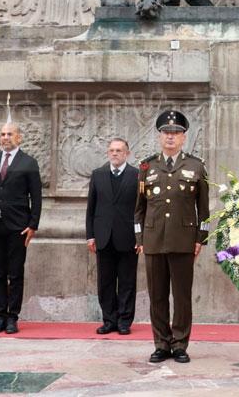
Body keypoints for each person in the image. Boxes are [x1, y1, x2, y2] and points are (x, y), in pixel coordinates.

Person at [135, 110, 209, 364]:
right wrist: (140, 239)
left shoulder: (196, 166)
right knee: (156, 295)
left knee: (181, 296)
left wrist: (201, 238)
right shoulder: (147, 166)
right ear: (159, 136)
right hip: (154, 241)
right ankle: (161, 343)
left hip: (184, 240)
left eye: (175, 133)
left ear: (183, 138)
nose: (170, 137)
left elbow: (205, 210)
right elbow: (139, 209)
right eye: (166, 133)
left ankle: (179, 344)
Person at [0, 122, 42, 335]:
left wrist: (33, 224)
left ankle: (13, 317)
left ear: (19, 138)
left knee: (15, 273)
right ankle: (0, 316)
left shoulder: (29, 162)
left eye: (10, 134)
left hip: (18, 227)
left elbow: (37, 197)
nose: (5, 137)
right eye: (2, 134)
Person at [86, 138, 140, 335]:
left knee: (127, 281)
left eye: (119, 150)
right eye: (111, 150)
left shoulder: (136, 175)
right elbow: (91, 208)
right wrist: (90, 236)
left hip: (128, 238)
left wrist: (140, 238)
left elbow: (141, 209)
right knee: (105, 281)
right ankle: (109, 320)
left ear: (127, 153)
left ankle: (125, 321)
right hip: (103, 237)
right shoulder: (98, 175)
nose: (115, 154)